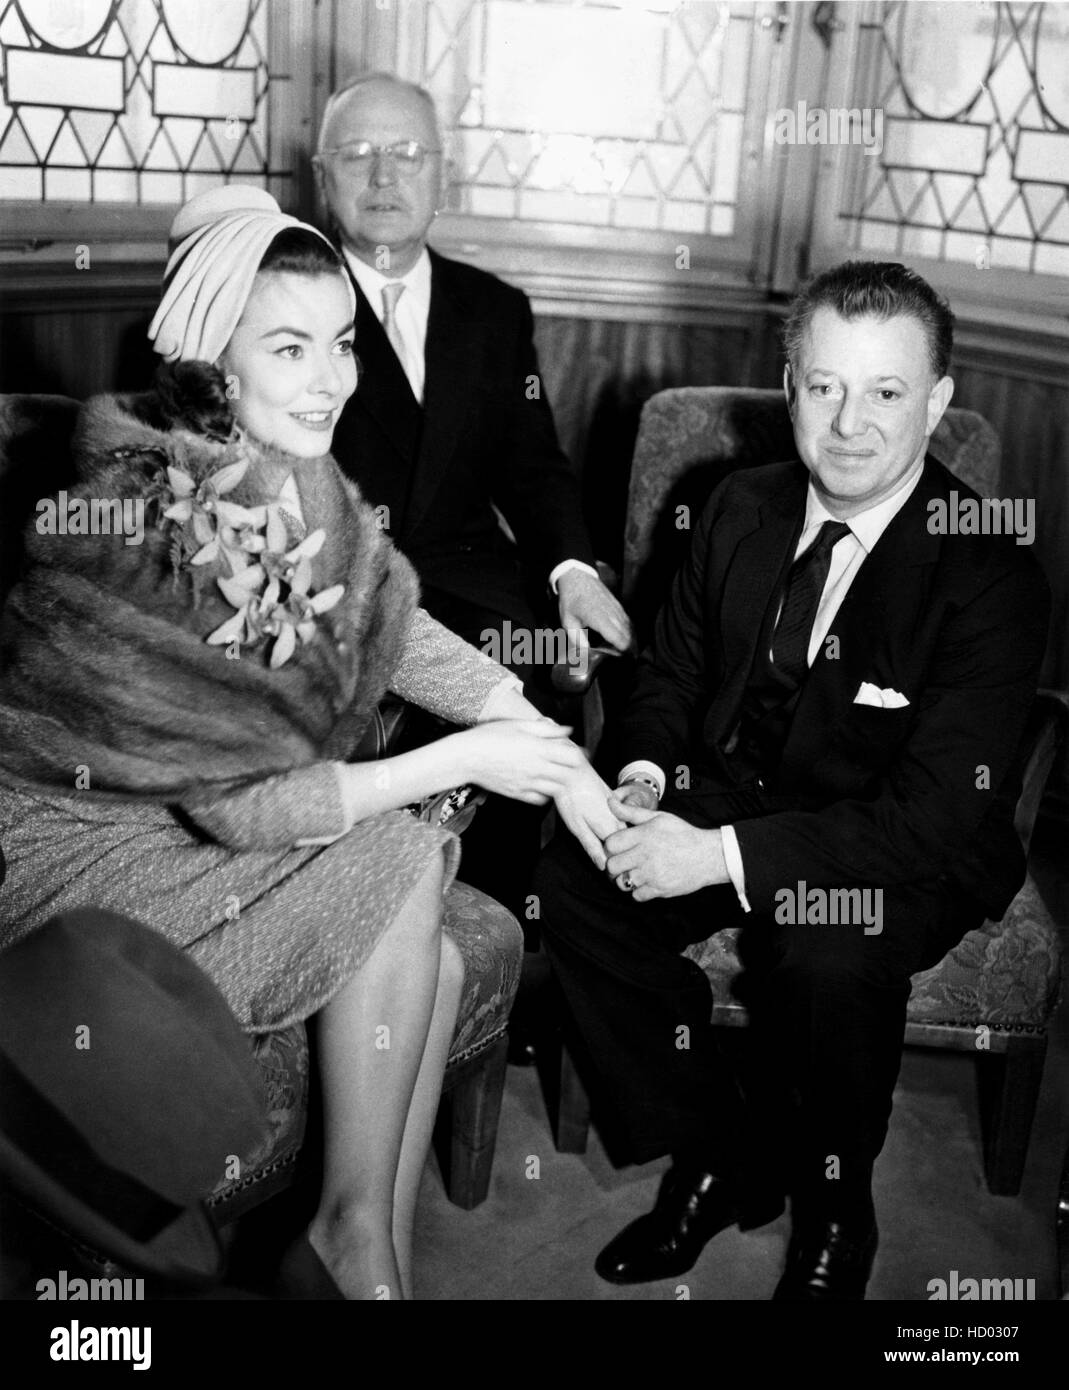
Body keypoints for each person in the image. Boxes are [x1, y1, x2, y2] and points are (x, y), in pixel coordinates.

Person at [0, 186, 618, 1301]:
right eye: (290, 347)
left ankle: (367, 1255)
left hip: (183, 826)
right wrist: (462, 761)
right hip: (79, 867)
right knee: (404, 849)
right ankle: (350, 1250)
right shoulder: (154, 519)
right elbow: (245, 808)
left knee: (419, 926)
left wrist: (517, 717)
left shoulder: (290, 463)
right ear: (208, 362)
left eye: (340, 341)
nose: (332, 378)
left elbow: (389, 614)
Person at [533, 261, 1050, 1299]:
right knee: (572, 872)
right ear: (790, 385)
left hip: (903, 835)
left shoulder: (989, 568)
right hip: (735, 784)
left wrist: (712, 855)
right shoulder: (736, 502)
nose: (848, 422)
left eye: (885, 392)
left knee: (825, 946)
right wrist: (638, 778)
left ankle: (831, 1202)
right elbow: (669, 674)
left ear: (937, 402)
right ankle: (724, 1150)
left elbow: (933, 815)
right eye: (823, 386)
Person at [312, 73, 633, 933]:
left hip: (462, 574)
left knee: (535, 660)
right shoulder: (286, 295)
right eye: (358, 155)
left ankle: (488, 932)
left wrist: (571, 570)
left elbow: (532, 466)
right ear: (321, 177)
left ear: (441, 178)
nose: (383, 178)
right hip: (330, 584)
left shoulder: (492, 311)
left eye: (407, 154)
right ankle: (366, 932)